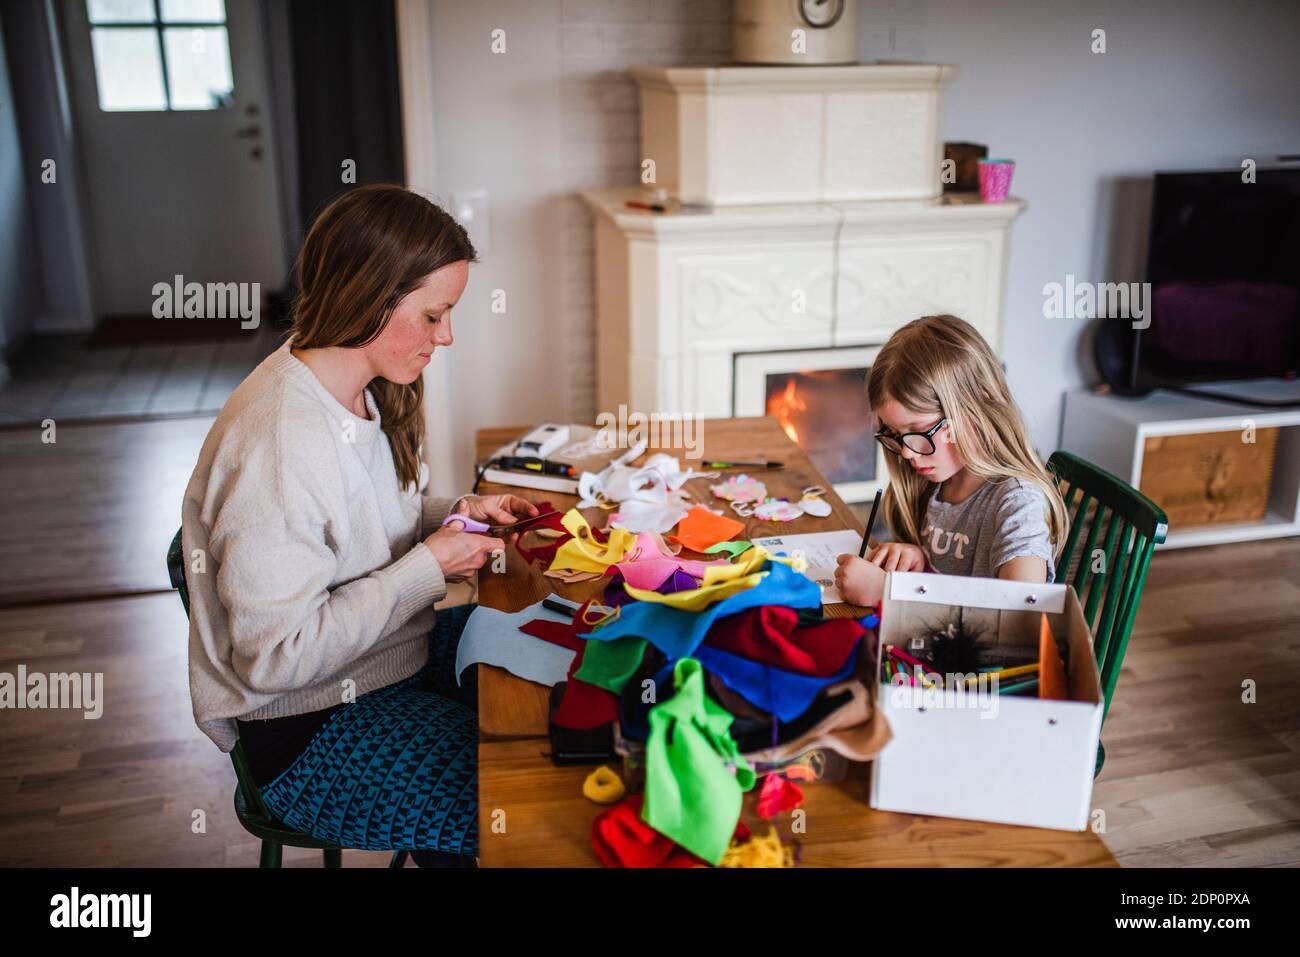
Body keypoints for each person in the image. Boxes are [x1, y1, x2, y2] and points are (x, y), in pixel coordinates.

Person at [181, 184, 535, 866]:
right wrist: (428, 566)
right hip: (306, 727)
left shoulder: (358, 384)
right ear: (373, 297)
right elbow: (275, 655)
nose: (447, 335)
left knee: (544, 655)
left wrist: (456, 514)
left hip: (386, 658)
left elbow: (361, 525)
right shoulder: (281, 442)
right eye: (434, 314)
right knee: (508, 790)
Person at [835, 314, 1068, 608]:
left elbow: (1023, 612)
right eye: (894, 434)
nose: (906, 452)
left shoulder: (1018, 503)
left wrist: (891, 591)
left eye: (919, 431)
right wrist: (920, 564)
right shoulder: (939, 482)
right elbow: (948, 580)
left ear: (977, 406)